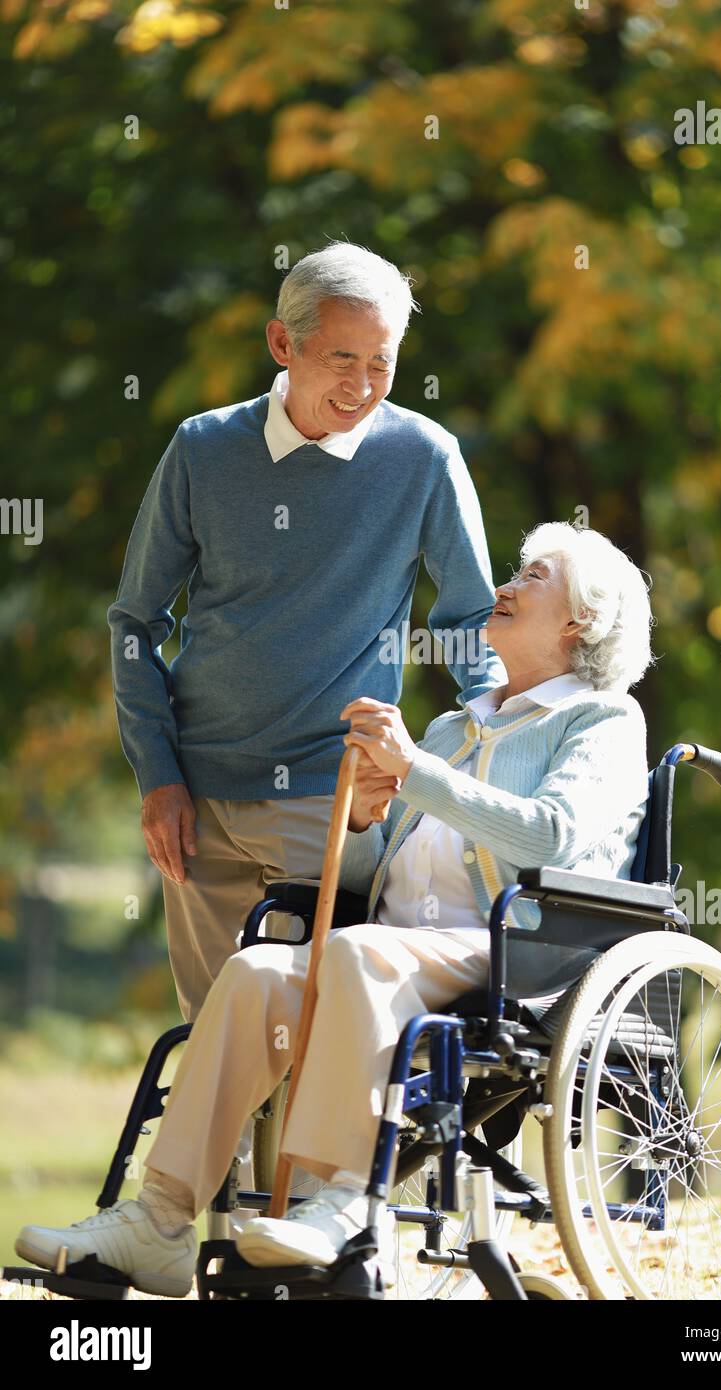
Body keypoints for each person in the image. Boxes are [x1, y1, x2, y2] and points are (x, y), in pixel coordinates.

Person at [18, 523, 653, 1296]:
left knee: (359, 953)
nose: (507, 584)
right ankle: (159, 1220)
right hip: (396, 952)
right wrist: (362, 818)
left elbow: (548, 838)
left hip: (518, 948)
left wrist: (416, 772)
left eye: (534, 575)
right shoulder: (457, 726)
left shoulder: (603, 720)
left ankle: (341, 1202)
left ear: (579, 620)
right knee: (255, 972)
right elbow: (365, 878)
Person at [108, 240, 506, 1025]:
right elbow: (135, 623)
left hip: (334, 804)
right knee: (214, 1040)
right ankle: (205, 1160)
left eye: (382, 364)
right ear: (282, 345)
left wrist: (490, 763)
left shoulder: (424, 458)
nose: (362, 387)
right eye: (341, 359)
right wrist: (157, 777)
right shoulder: (203, 448)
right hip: (199, 801)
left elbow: (468, 626)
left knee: (317, 1039)